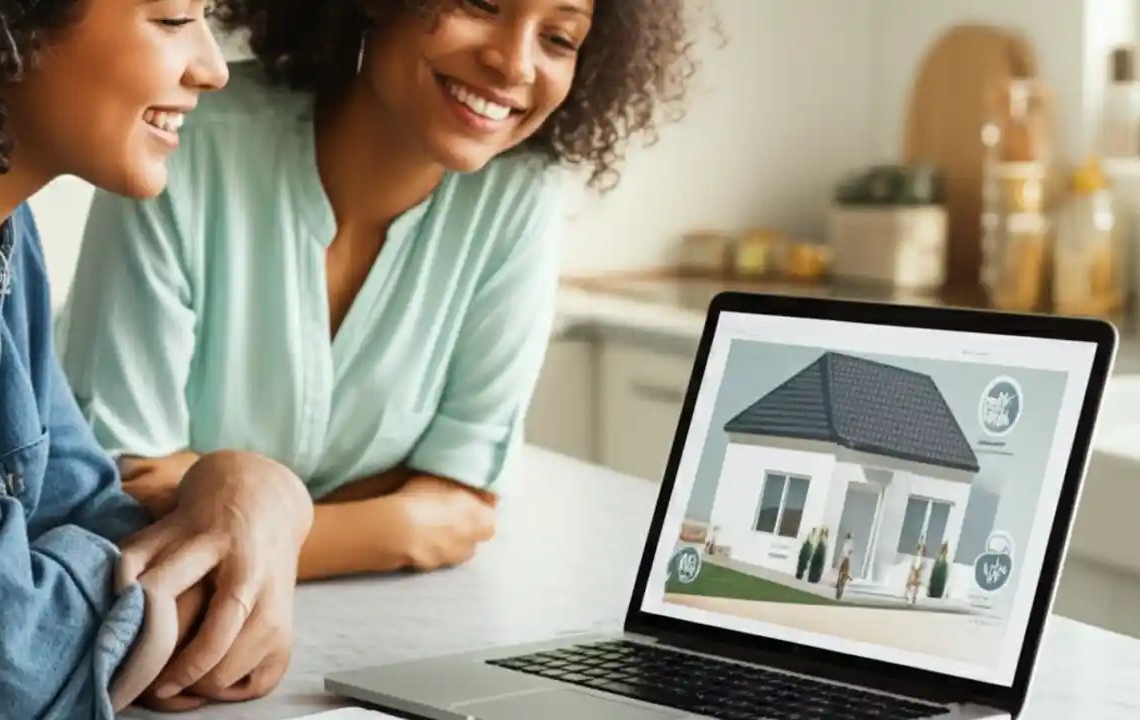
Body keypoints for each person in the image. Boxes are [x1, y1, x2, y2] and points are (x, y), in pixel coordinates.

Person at [57, 0, 699, 581]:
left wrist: (229, 531)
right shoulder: (183, 140)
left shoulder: (519, 196)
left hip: (333, 617)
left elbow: (459, 504)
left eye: (558, 38)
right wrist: (391, 523)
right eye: (480, 4)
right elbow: (130, 484)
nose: (513, 63)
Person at [0, 2, 314, 717]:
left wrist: (258, 492)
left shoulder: (0, 238)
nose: (213, 67)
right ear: (3, 23)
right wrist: (204, 584)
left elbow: (86, 513)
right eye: (172, 19)